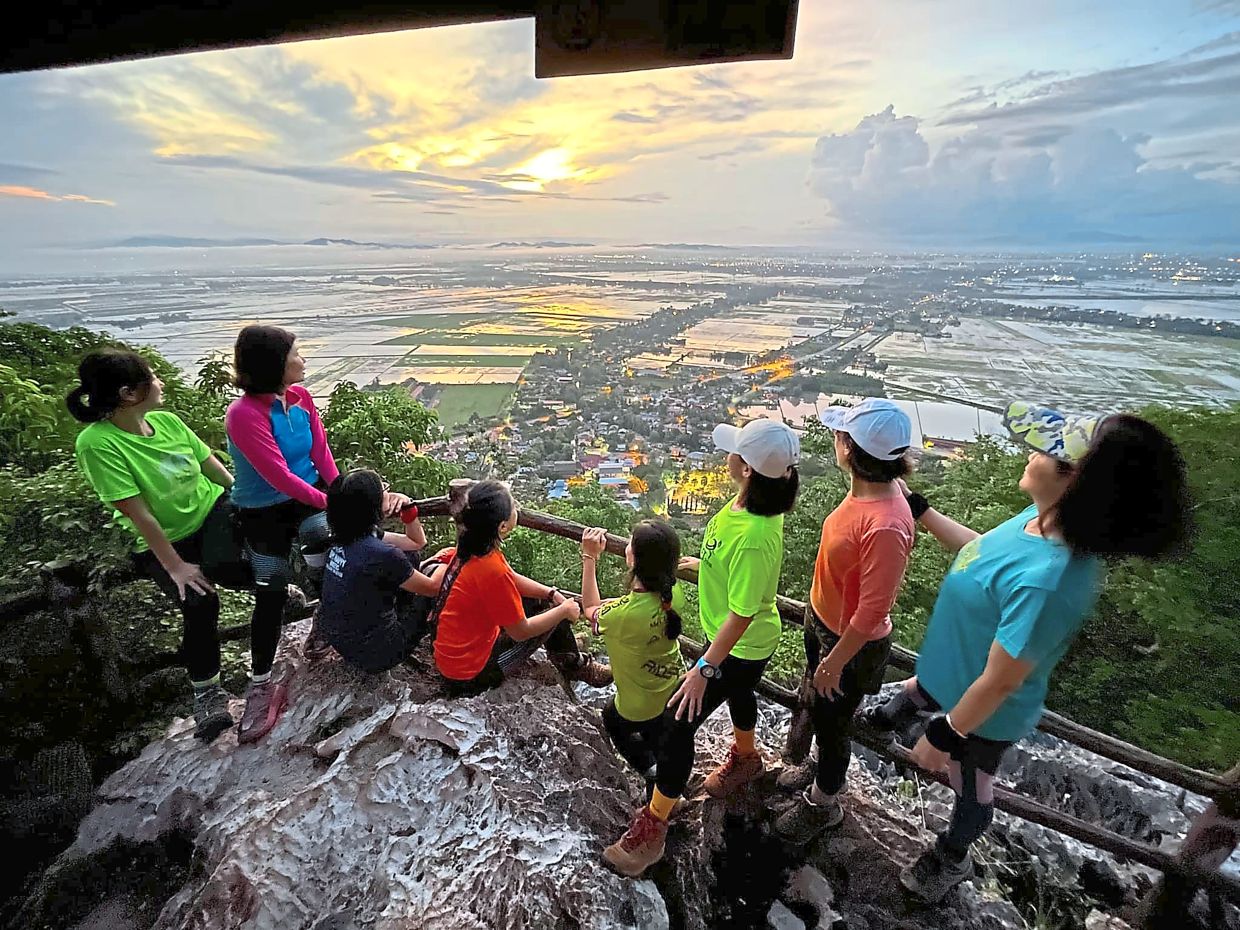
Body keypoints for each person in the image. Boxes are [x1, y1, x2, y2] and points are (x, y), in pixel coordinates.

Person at [865, 402, 1190, 903]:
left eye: (1046, 448)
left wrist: (946, 735)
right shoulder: (1039, 522)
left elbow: (1000, 682)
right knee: (917, 692)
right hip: (950, 670)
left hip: (986, 710)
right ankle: (895, 714)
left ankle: (952, 854)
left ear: (1073, 483)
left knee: (969, 778)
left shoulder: (1052, 582)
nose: (1032, 450)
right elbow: (983, 554)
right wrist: (923, 509)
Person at [603, 418, 800, 877]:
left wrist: (705, 668)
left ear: (747, 469)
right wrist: (706, 563)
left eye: (734, 452)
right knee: (741, 694)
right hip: (730, 643)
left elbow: (744, 612)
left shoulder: (756, 537)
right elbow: (731, 563)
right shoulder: (748, 508)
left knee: (677, 725)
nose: (726, 456)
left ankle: (653, 827)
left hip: (740, 647)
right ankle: (746, 756)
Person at [225, 325, 409, 742]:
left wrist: (345, 493)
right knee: (270, 592)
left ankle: (325, 623)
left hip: (311, 499)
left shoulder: (302, 399)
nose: (304, 359)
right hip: (263, 511)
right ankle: (259, 683)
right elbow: (279, 476)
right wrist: (342, 504)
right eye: (296, 353)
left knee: (331, 559)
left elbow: (321, 455)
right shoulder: (243, 415)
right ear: (275, 364)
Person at [69, 349, 250, 742]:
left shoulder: (167, 421)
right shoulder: (97, 444)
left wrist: (244, 499)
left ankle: (277, 588)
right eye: (152, 377)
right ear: (128, 394)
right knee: (200, 602)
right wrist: (176, 567)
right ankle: (208, 695)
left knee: (232, 567)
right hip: (161, 539)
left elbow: (210, 467)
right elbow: (140, 514)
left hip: (210, 512)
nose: (161, 382)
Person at [775, 399, 917, 844]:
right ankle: (816, 769)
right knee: (819, 707)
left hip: (849, 645)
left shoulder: (886, 524)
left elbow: (873, 612)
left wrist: (834, 662)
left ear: (851, 449)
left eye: (841, 435)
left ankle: (825, 800)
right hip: (824, 624)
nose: (835, 440)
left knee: (835, 724)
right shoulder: (866, 493)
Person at [431, 480, 612, 694]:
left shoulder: (471, 547)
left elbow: (511, 577)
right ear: (503, 526)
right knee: (552, 614)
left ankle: (570, 656)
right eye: (513, 506)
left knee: (544, 601)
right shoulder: (490, 569)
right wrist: (563, 611)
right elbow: (520, 631)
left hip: (452, 660)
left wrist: (551, 592)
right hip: (472, 675)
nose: (516, 508)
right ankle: (576, 667)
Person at [579, 520, 688, 798]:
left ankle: (652, 774)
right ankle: (663, 783)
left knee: (612, 718)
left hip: (638, 708)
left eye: (630, 543)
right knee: (661, 738)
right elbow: (631, 605)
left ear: (634, 559)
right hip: (675, 690)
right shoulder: (673, 595)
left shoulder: (621, 617)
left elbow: (591, 608)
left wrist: (589, 557)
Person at [315, 469, 448, 673]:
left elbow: (416, 543)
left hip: (345, 645)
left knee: (410, 558)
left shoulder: (345, 536)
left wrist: (408, 507)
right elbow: (433, 588)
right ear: (372, 503)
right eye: (383, 487)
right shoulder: (382, 554)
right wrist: (443, 563)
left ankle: (398, 609)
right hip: (380, 654)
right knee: (441, 575)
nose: (388, 489)